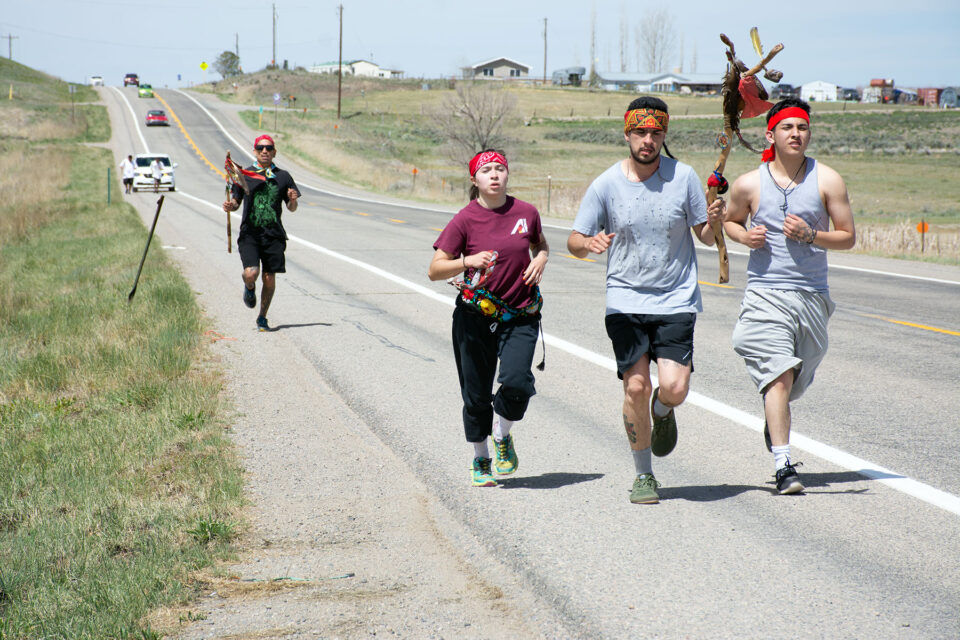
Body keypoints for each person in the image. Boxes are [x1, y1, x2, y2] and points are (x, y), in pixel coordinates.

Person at [567, 96, 723, 505]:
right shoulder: (605, 184)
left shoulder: (684, 177)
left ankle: (663, 410)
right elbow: (573, 241)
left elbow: (704, 235)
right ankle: (644, 475)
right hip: (625, 298)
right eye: (640, 132)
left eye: (655, 133)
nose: (647, 140)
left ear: (664, 134)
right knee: (635, 386)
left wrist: (717, 218)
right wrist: (589, 242)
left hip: (676, 298)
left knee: (673, 388)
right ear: (627, 134)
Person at [720, 98, 855, 495]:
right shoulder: (748, 183)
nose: (796, 134)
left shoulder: (827, 179)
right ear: (771, 134)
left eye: (802, 127)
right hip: (766, 292)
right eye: (787, 127)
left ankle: (773, 415)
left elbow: (847, 237)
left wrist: (811, 235)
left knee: (793, 379)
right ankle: (783, 466)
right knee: (779, 375)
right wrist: (745, 235)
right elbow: (730, 221)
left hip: (812, 294)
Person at [428, 150, 549, 487]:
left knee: (517, 382)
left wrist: (541, 259)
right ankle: (481, 460)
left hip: (519, 314)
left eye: (500, 169)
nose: (494, 175)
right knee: (477, 395)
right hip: (474, 317)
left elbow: (541, 245)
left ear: (508, 175)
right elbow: (435, 270)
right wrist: (468, 261)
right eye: (486, 171)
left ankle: (501, 434)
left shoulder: (526, 212)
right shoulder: (464, 219)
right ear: (474, 180)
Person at [222, 134, 301, 331]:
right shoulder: (244, 174)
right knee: (251, 273)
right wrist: (230, 205)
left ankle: (262, 317)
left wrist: (292, 199)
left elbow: (292, 208)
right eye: (261, 148)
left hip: (273, 235)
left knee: (269, 277)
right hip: (250, 234)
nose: (265, 151)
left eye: (269, 148)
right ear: (255, 151)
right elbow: (236, 202)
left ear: (274, 152)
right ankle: (249, 287)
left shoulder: (284, 176)